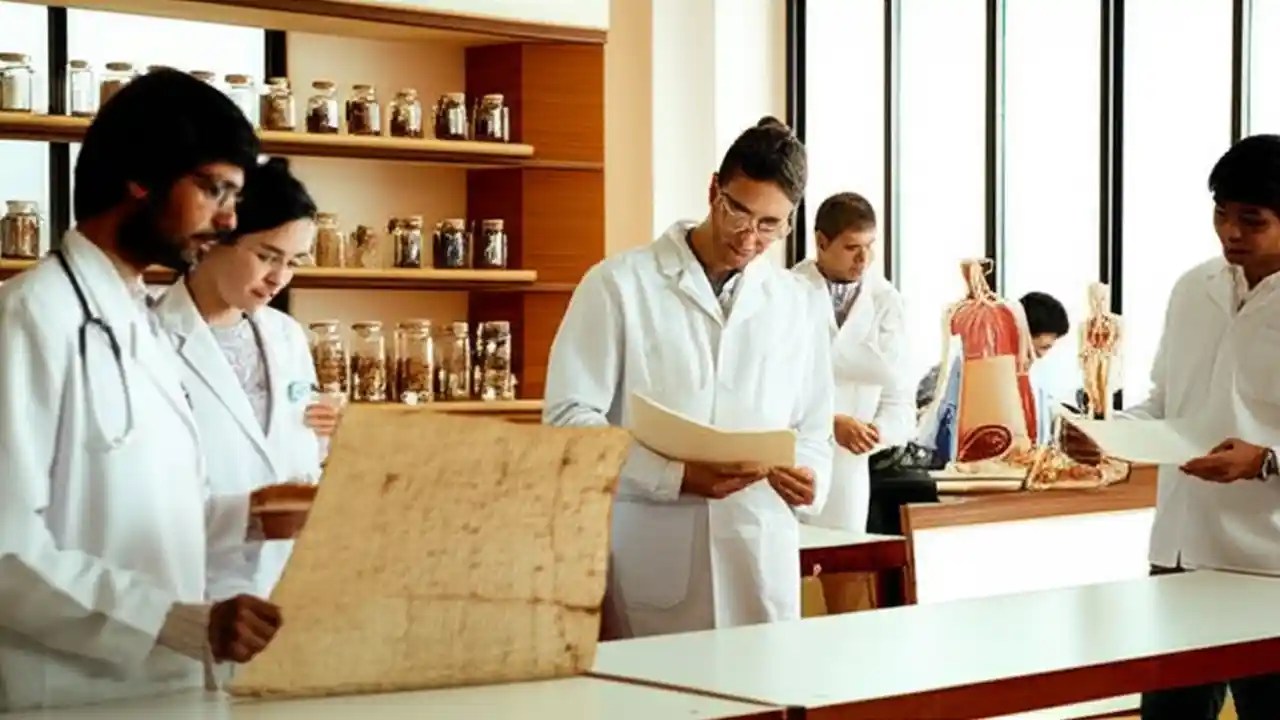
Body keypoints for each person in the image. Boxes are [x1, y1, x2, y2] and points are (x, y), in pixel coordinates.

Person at [0, 70, 306, 711]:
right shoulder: (31, 317)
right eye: (213, 189)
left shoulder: (140, 318)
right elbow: (8, 552)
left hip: (166, 684)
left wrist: (254, 511)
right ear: (142, 178)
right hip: (67, 693)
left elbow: (157, 508)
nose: (226, 220)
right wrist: (181, 622)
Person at [542, 116, 834, 638]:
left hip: (758, 548)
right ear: (712, 190)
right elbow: (567, 419)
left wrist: (808, 475)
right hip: (652, 544)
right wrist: (672, 475)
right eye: (738, 212)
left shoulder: (797, 301)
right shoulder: (620, 284)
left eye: (771, 225)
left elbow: (813, 425)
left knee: (763, 706)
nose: (749, 237)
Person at [1064, 134, 1280, 719]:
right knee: (1169, 716)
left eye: (1251, 220)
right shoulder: (1193, 288)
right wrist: (1104, 435)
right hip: (1180, 549)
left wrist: (1266, 459)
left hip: (1268, 562)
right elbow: (1165, 403)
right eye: (1221, 214)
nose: (1230, 232)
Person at [151, 157, 335, 601]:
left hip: (285, 587)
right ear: (214, 239)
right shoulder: (148, 337)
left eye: (293, 262)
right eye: (267, 256)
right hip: (187, 591)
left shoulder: (286, 336)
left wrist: (334, 437)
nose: (279, 279)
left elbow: (297, 457)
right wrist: (249, 515)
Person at [791, 192, 913, 532]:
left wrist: (876, 432)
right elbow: (768, 393)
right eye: (851, 247)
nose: (864, 259)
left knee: (844, 571)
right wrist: (829, 423)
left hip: (849, 470)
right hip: (791, 461)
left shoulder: (887, 303)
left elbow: (900, 399)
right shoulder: (785, 293)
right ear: (820, 241)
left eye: (870, 246)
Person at [915, 290, 1069, 411]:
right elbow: (928, 404)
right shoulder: (972, 365)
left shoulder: (1028, 378)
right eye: (1039, 349)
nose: (1039, 358)